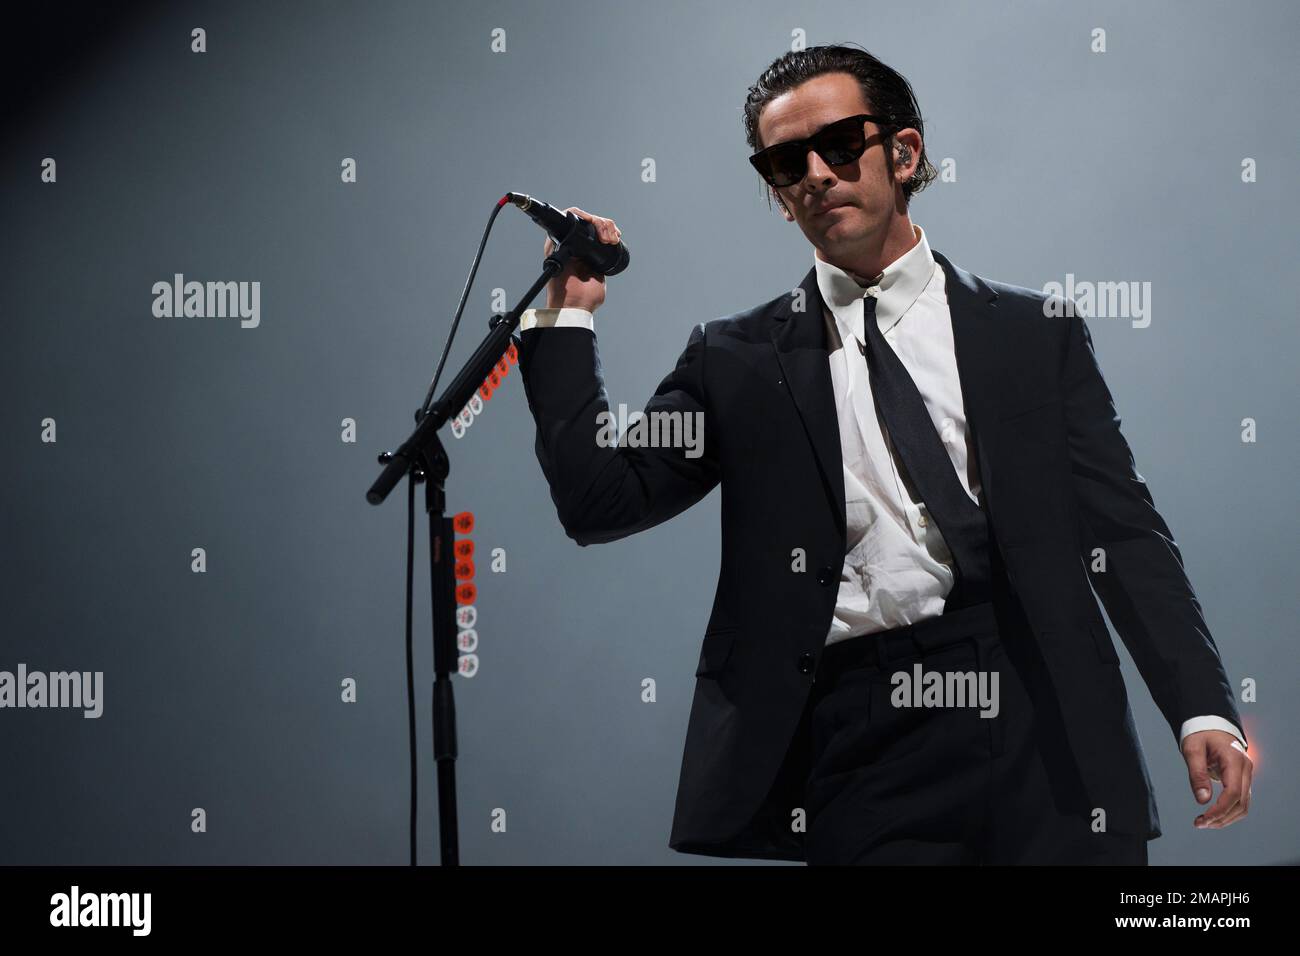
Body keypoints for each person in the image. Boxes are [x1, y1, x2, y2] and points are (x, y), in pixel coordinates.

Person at [513, 43, 1251, 864]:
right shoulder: (735, 359)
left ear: (904, 152)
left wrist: (1200, 707)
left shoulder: (1031, 333)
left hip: (1041, 706)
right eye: (787, 162)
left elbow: (1122, 532)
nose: (816, 175)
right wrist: (565, 319)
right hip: (859, 735)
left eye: (838, 145)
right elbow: (600, 502)